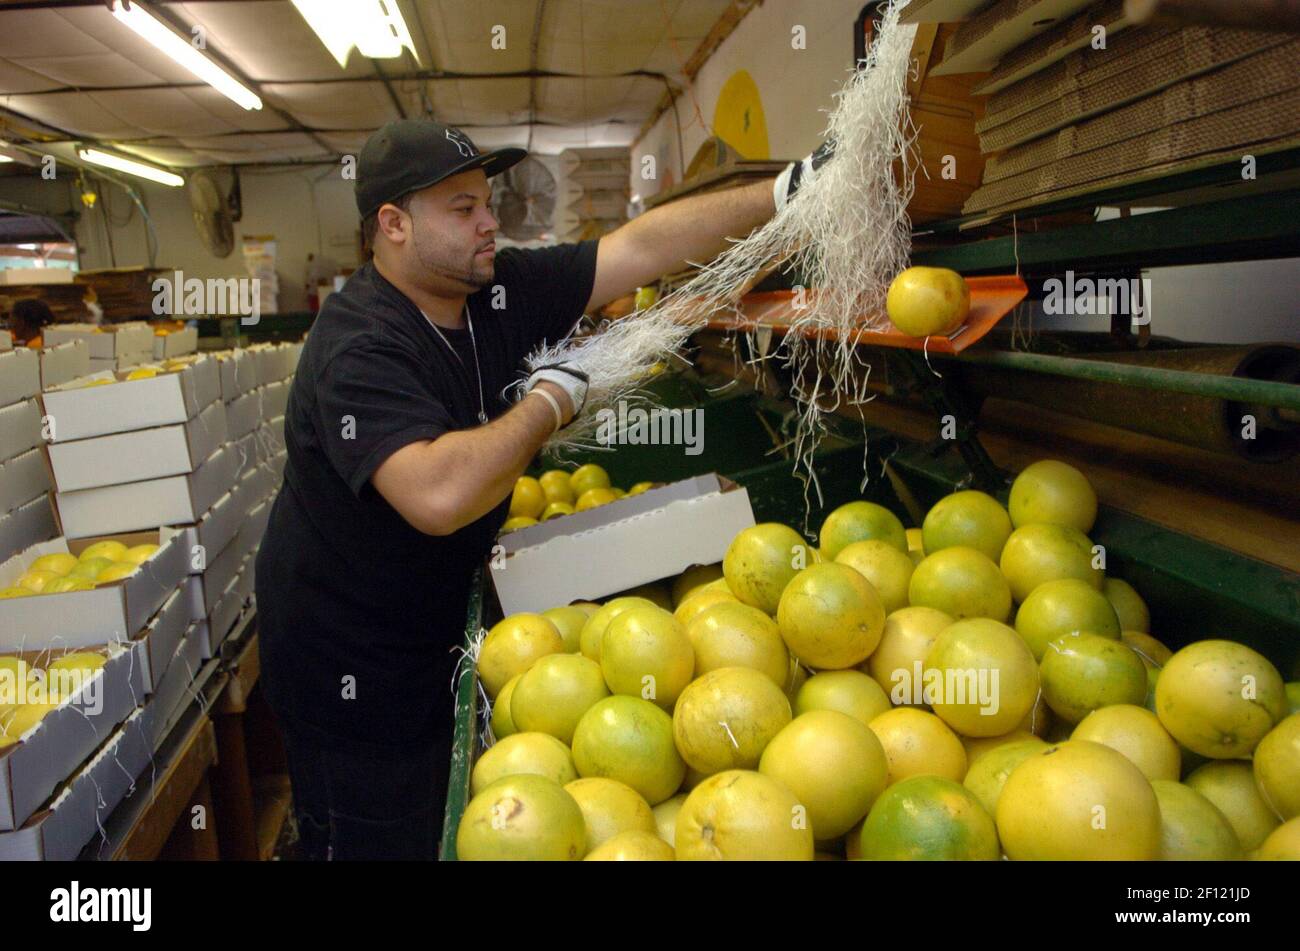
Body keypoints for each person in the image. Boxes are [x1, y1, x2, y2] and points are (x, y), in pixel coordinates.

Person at [254, 119, 829, 860]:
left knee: (433, 813)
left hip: (430, 618)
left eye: (486, 201)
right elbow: (438, 493)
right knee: (376, 835)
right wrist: (549, 402)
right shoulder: (359, 344)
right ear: (392, 225)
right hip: (350, 655)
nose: (490, 221)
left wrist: (786, 191)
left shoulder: (493, 292)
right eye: (462, 209)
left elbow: (640, 248)